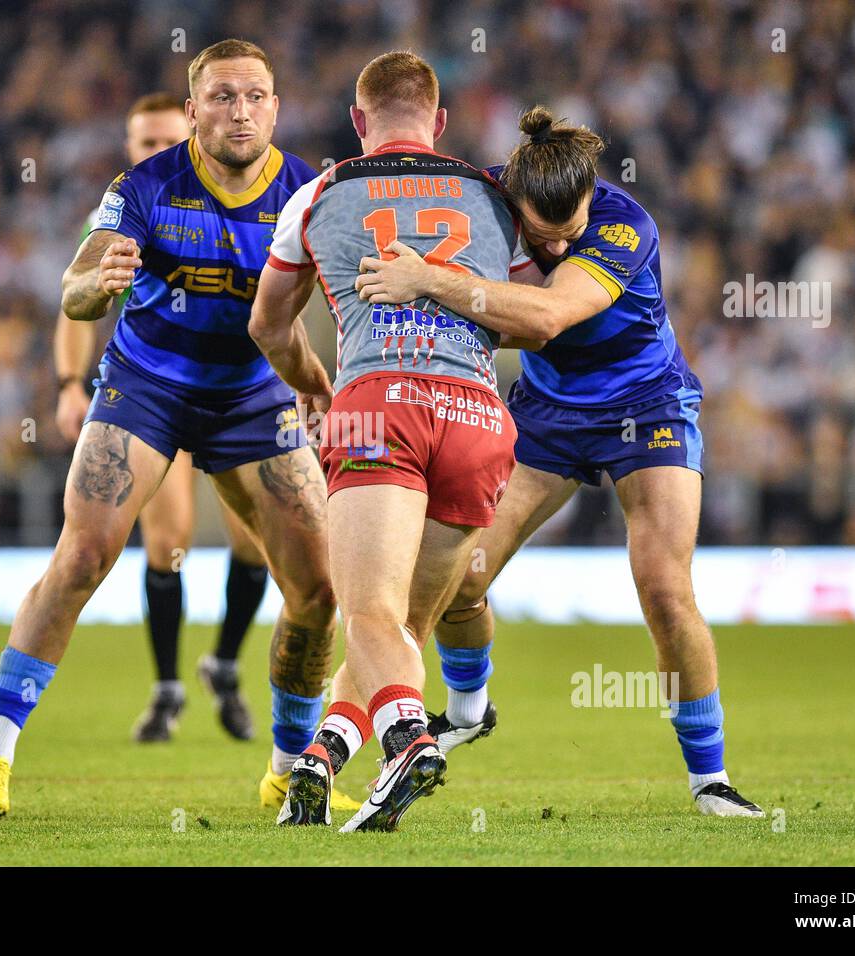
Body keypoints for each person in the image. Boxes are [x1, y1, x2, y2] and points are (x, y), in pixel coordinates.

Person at [0, 39, 361, 818]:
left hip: (255, 396)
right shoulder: (146, 184)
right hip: (148, 388)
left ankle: (286, 768)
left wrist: (329, 383)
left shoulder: (312, 191)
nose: (239, 110)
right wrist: (94, 285)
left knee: (316, 590)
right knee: (82, 556)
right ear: (191, 111)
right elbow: (78, 288)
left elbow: (349, 294)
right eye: (220, 97)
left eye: (254, 96)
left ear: (275, 107)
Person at [354, 106, 764, 818]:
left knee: (664, 587)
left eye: (573, 226)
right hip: (547, 411)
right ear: (514, 198)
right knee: (459, 578)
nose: (564, 240)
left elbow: (543, 319)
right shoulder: (481, 199)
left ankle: (710, 780)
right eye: (547, 234)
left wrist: (428, 280)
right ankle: (469, 707)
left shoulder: (624, 225)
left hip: (647, 407)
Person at [250, 52, 529, 831]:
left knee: (365, 610)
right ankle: (325, 754)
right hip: (478, 413)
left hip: (378, 401)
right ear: (439, 123)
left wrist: (314, 388)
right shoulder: (494, 194)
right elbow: (536, 303)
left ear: (357, 120)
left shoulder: (318, 192)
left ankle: (407, 740)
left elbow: (267, 324)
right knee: (403, 625)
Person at [53, 91, 269, 744]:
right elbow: (76, 298)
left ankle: (225, 664)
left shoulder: (245, 198)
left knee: (252, 544)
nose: (154, 153)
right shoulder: (127, 206)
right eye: (143, 143)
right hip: (160, 394)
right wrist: (69, 384)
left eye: (164, 140)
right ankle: (168, 686)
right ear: (130, 148)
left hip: (237, 394)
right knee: (167, 542)